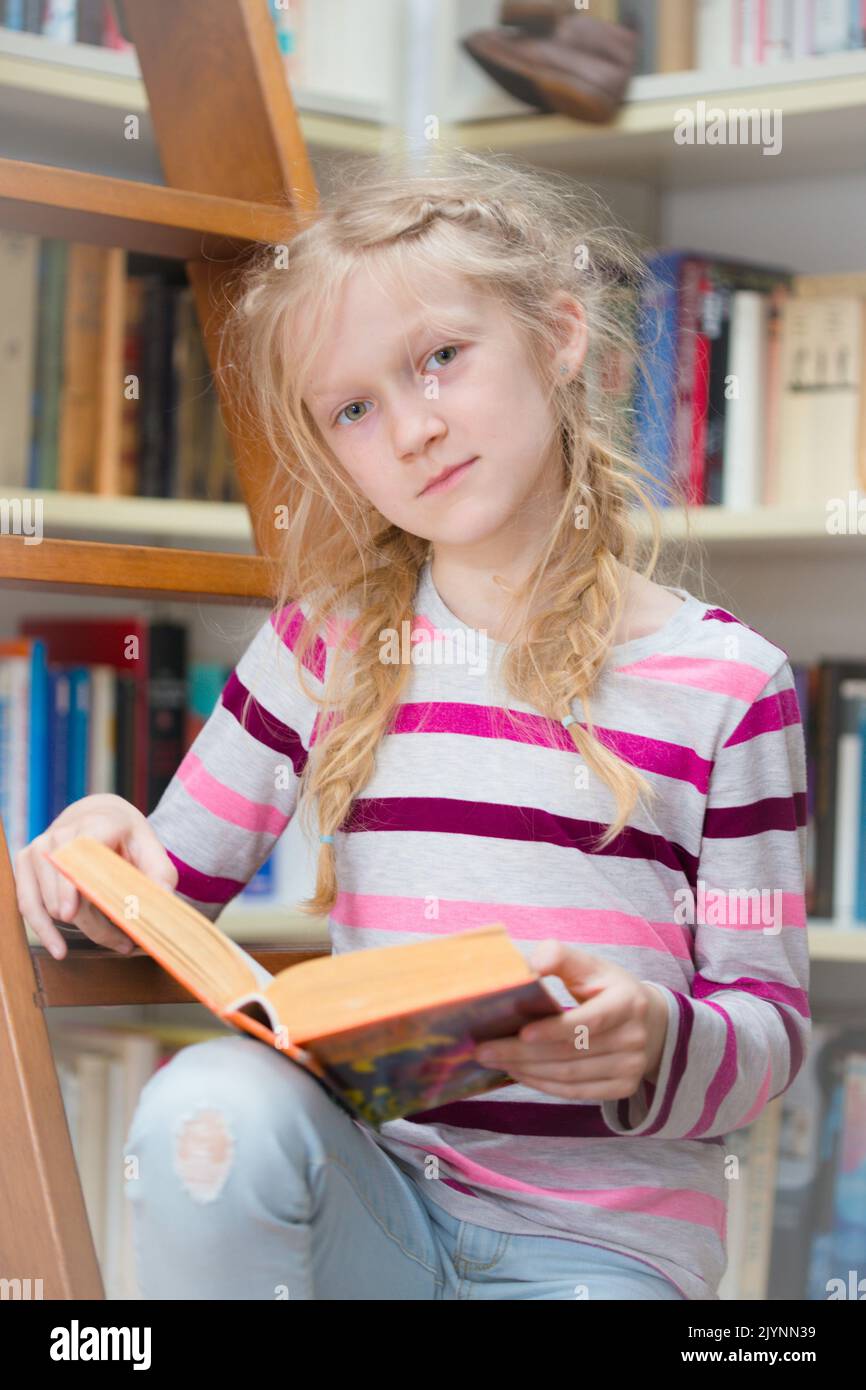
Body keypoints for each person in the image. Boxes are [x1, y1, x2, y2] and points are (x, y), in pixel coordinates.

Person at [16, 149, 809, 1301]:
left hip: (598, 1253)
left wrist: (650, 1038)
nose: (412, 429)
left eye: (439, 359)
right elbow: (163, 895)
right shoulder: (323, 645)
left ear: (558, 333)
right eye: (353, 407)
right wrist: (96, 849)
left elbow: (767, 1028)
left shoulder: (728, 682)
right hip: (375, 1212)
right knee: (205, 1105)